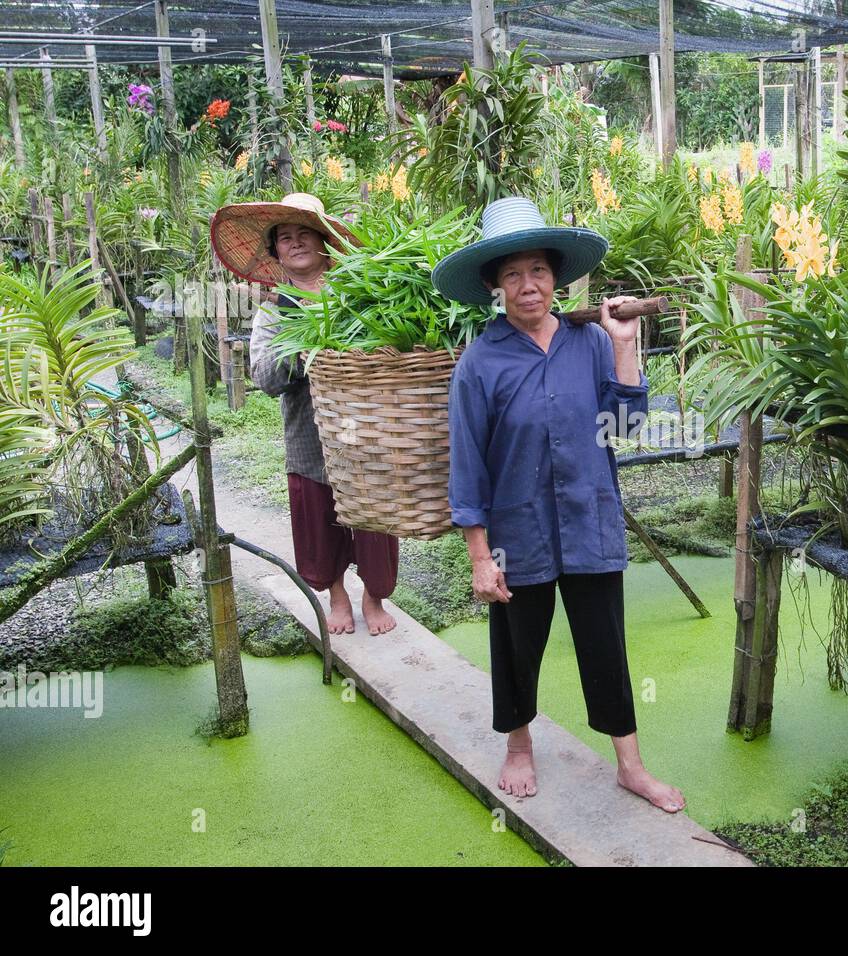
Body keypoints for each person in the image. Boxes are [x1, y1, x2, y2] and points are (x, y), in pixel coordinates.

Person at [435, 195, 685, 813]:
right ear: (493, 284)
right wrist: (478, 558)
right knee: (517, 644)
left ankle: (630, 764)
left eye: (539, 272)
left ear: (557, 277)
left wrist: (623, 341)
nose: (529, 286)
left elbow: (624, 423)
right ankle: (519, 744)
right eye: (514, 274)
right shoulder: (480, 363)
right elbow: (468, 464)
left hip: (589, 521)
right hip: (517, 534)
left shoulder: (589, 342)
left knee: (606, 643)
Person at [210, 192, 399, 636]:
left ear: (325, 241)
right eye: (284, 238)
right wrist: (300, 351)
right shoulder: (274, 311)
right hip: (308, 435)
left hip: (366, 430)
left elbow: (391, 348)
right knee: (319, 515)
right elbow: (265, 379)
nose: (294, 243)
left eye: (304, 234)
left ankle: (373, 598)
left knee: (374, 518)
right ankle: (337, 597)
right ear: (275, 251)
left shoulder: (360, 293)